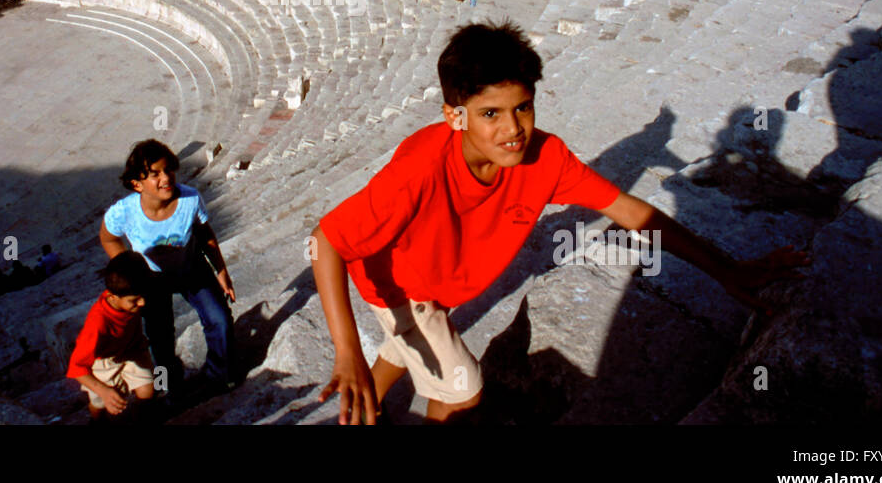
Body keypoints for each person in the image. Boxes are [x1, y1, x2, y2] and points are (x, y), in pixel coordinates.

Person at [309, 21, 810, 424]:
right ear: (455, 116)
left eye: (522, 108)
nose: (512, 130)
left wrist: (727, 271)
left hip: (440, 281)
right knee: (461, 388)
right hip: (401, 287)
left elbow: (633, 214)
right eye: (490, 114)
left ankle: (361, 408)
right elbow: (327, 240)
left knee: (409, 347)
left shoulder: (545, 159)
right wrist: (347, 351)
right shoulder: (420, 167)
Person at [100, 139, 237, 400]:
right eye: (155, 175)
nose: (166, 178)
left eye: (168, 170)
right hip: (152, 279)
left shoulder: (189, 198)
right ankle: (170, 386)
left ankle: (220, 377)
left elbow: (205, 234)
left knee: (219, 319)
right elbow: (108, 237)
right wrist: (130, 271)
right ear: (137, 184)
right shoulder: (125, 212)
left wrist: (221, 272)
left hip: (191, 268)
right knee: (159, 339)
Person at [67, 251, 159, 423]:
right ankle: (97, 421)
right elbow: (76, 367)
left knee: (148, 389)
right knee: (101, 402)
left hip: (132, 348)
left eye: (143, 296)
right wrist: (102, 390)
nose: (142, 303)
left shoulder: (129, 295)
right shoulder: (97, 324)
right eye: (135, 300)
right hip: (104, 360)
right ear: (112, 297)